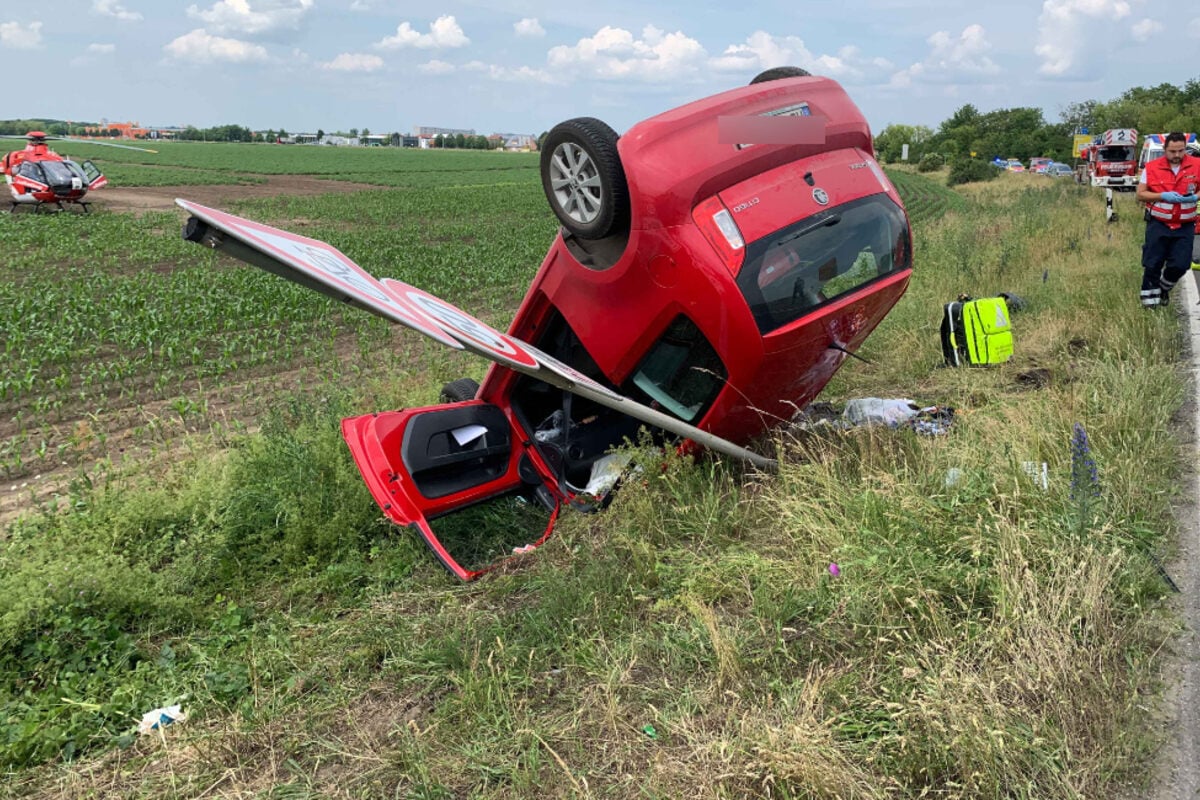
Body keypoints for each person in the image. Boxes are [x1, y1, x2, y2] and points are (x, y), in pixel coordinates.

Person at [1136, 132, 1200, 307]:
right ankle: (1149, 306)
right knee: (1152, 264)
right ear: (1165, 150)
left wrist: (1195, 197)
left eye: (1181, 151)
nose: (1177, 155)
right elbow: (1141, 194)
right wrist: (1162, 196)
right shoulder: (1151, 167)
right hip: (1159, 223)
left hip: (1185, 225)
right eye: (1172, 151)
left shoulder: (1197, 165)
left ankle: (1163, 288)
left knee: (1180, 264)